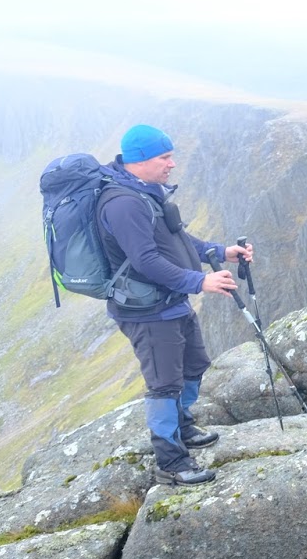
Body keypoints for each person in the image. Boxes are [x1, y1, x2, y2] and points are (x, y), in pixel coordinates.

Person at [99, 124, 251, 485]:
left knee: (195, 365)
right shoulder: (123, 204)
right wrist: (200, 281)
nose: (172, 164)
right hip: (147, 312)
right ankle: (171, 463)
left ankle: (182, 427)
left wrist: (220, 252)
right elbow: (146, 261)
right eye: (164, 157)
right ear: (139, 160)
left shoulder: (146, 192)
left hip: (170, 301)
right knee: (165, 384)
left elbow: (178, 239)